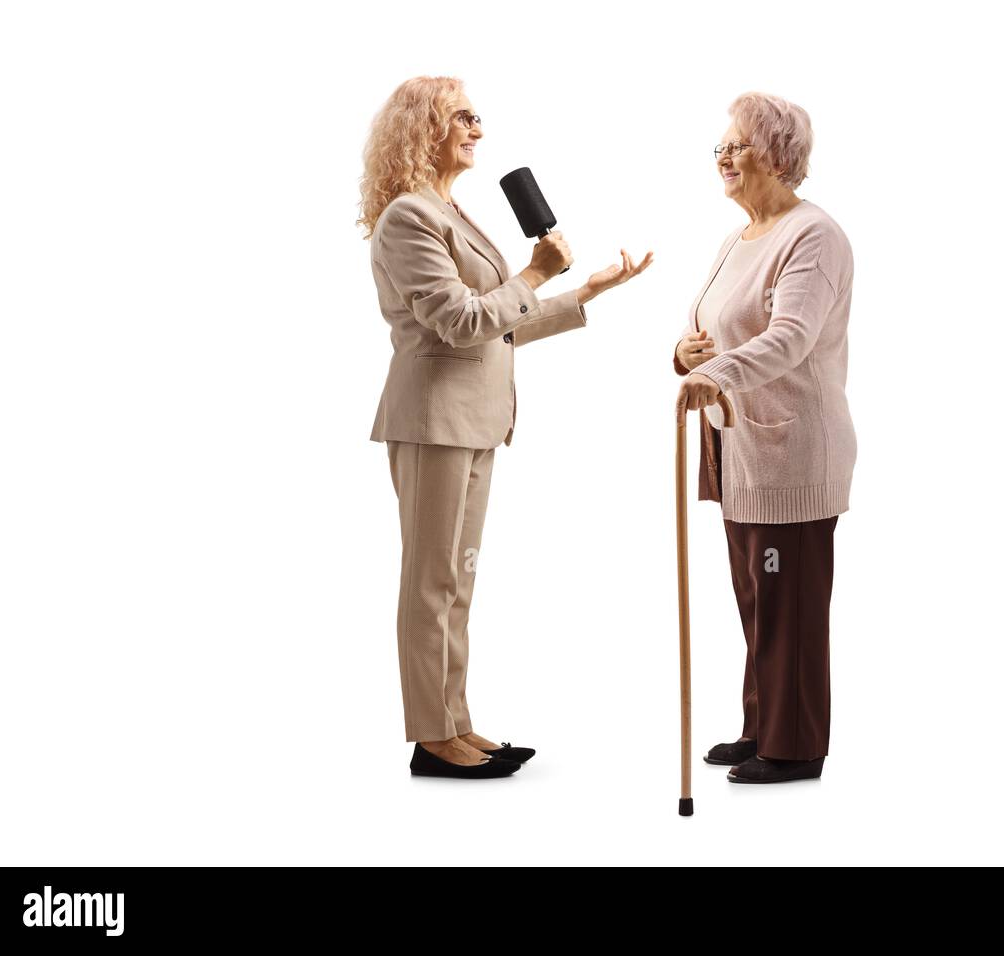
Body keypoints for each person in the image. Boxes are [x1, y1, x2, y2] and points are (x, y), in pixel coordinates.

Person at [358, 76, 652, 779]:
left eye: (478, 117)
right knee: (431, 583)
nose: (478, 129)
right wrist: (534, 270)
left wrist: (582, 292)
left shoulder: (449, 209)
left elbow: (499, 326)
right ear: (422, 127)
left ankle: (456, 722)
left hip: (479, 421)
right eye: (463, 117)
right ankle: (433, 737)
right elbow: (459, 323)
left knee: (457, 580)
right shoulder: (408, 218)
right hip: (433, 420)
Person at [674, 92, 856, 784]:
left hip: (791, 449)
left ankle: (796, 744)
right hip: (739, 442)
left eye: (737, 146)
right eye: (719, 146)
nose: (722, 157)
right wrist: (687, 355)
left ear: (778, 157)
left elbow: (790, 337)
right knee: (759, 598)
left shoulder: (814, 236)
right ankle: (762, 727)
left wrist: (715, 370)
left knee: (789, 602)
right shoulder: (740, 237)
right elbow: (716, 326)